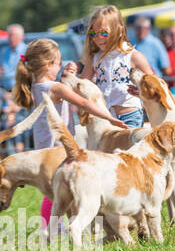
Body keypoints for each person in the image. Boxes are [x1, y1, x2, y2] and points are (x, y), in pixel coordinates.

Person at [12, 38, 127, 227]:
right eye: (59, 63)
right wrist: (109, 118)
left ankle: (55, 227)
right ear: (49, 64)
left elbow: (59, 86)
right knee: (59, 192)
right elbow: (83, 102)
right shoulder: (55, 88)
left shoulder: (35, 86)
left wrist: (65, 74)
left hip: (44, 149)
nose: (61, 66)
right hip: (59, 148)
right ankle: (52, 228)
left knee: (54, 191)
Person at [78, 5, 153, 128]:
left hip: (130, 116)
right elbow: (81, 86)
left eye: (104, 33)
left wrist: (142, 92)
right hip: (105, 117)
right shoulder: (94, 59)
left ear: (120, 31)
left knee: (128, 147)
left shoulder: (132, 56)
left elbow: (154, 84)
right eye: (93, 33)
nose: (98, 38)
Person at [0, 24, 27, 94]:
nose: (12, 38)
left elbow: (27, 71)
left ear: (21, 37)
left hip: (20, 90)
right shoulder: (3, 52)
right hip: (3, 90)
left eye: (14, 35)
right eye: (10, 35)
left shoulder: (26, 51)